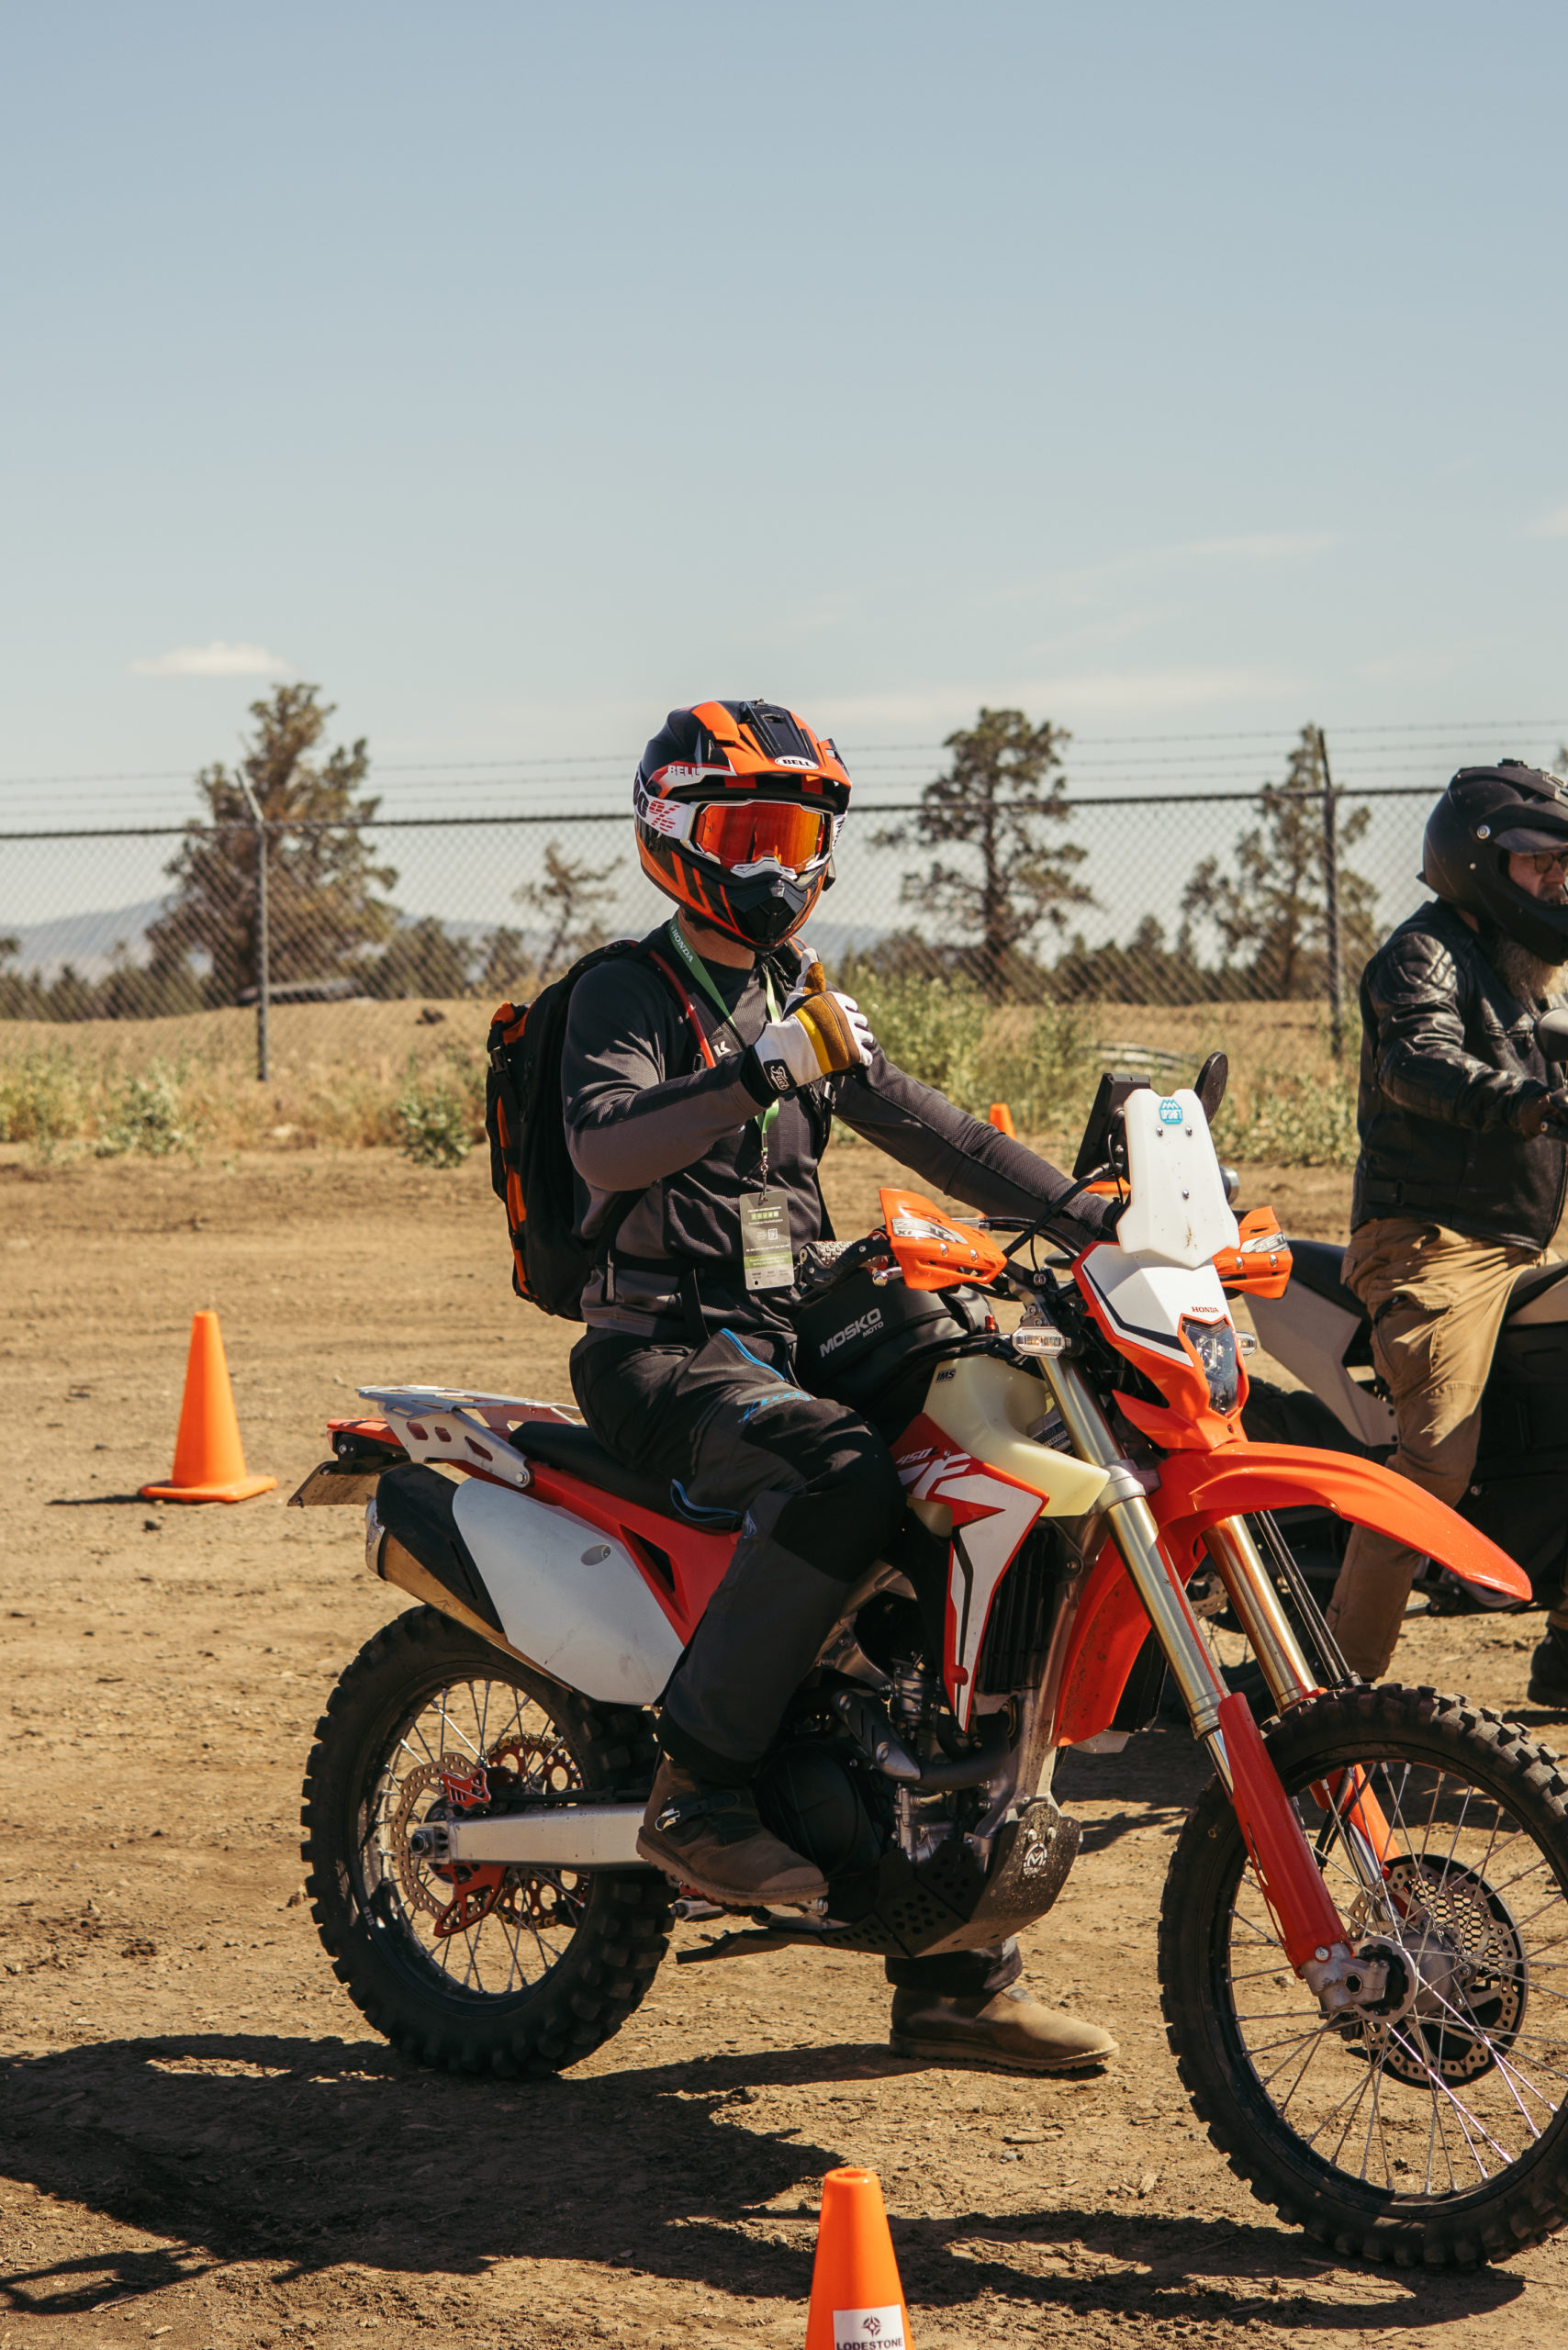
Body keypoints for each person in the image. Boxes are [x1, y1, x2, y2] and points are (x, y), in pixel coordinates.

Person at [559, 697, 1116, 2074]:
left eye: (796, 836)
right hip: (662, 1344)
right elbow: (603, 1148)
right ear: (677, 835)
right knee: (842, 1471)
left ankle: (952, 1969)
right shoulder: (627, 989)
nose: (777, 862)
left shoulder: (793, 985)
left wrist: (1093, 1217)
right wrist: (751, 1073)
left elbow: (923, 1123)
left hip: (793, 1322)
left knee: (985, 1465)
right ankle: (697, 1791)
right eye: (748, 831)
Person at [1326, 759, 1568, 1722]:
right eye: (1542, 864)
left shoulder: (1532, 970)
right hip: (1430, 1245)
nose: (1558, 883)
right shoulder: (1423, 956)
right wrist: (1531, 1102)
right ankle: (1331, 1700)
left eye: (1565, 866)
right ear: (1480, 862)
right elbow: (1419, 1061)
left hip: (1515, 1250)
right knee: (1436, 1461)